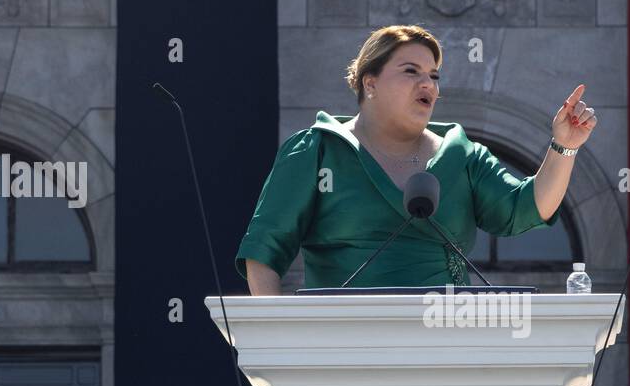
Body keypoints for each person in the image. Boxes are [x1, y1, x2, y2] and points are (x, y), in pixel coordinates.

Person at [235, 24, 598, 294]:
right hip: (343, 346)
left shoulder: (462, 156)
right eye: (411, 71)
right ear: (369, 83)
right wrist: (281, 339)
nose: (429, 85)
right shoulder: (316, 151)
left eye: (434, 76)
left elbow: (527, 208)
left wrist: (564, 146)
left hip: (450, 340)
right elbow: (264, 251)